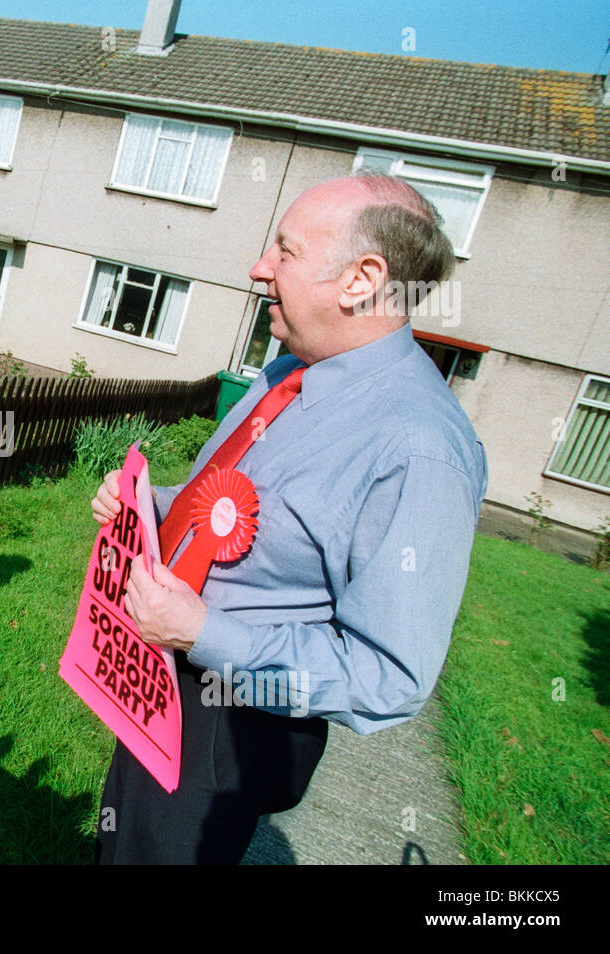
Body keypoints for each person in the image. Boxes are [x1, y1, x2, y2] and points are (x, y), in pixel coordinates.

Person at [90, 173, 488, 864]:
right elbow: (236, 501)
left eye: (286, 250)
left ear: (362, 279)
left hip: (223, 730)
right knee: (118, 845)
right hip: (160, 674)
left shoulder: (421, 449)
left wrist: (202, 633)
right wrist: (150, 504)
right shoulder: (287, 370)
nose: (259, 268)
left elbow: (386, 675)